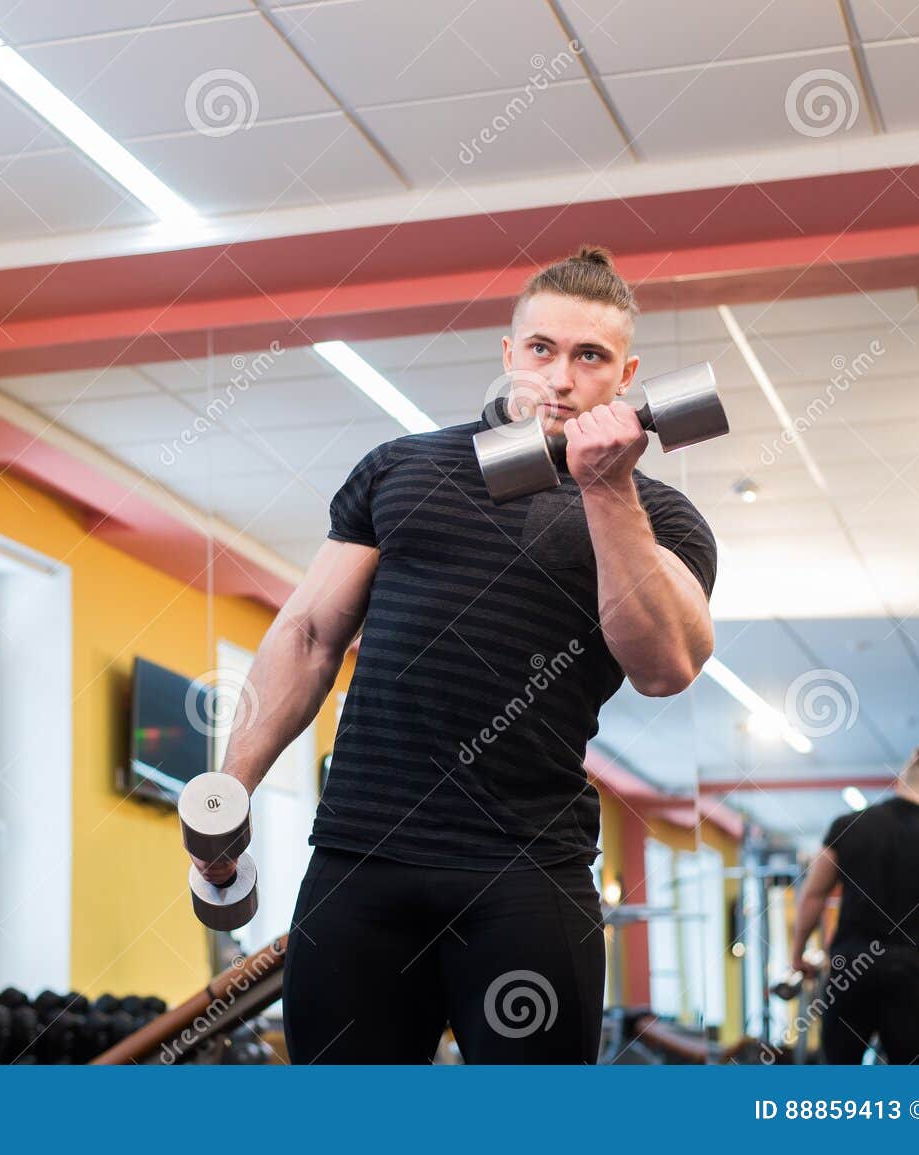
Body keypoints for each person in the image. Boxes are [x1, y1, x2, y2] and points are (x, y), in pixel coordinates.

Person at [188, 246, 718, 1063]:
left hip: (527, 871)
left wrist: (607, 489)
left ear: (627, 375)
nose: (561, 377)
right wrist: (233, 791)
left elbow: (666, 666)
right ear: (509, 354)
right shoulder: (403, 469)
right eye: (542, 349)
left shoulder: (660, 519)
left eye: (590, 357)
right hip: (364, 858)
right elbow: (308, 635)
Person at [789, 745, 919, 1064]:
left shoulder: (848, 825)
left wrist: (797, 953)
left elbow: (814, 894)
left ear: (898, 786)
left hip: (849, 968)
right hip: (904, 972)